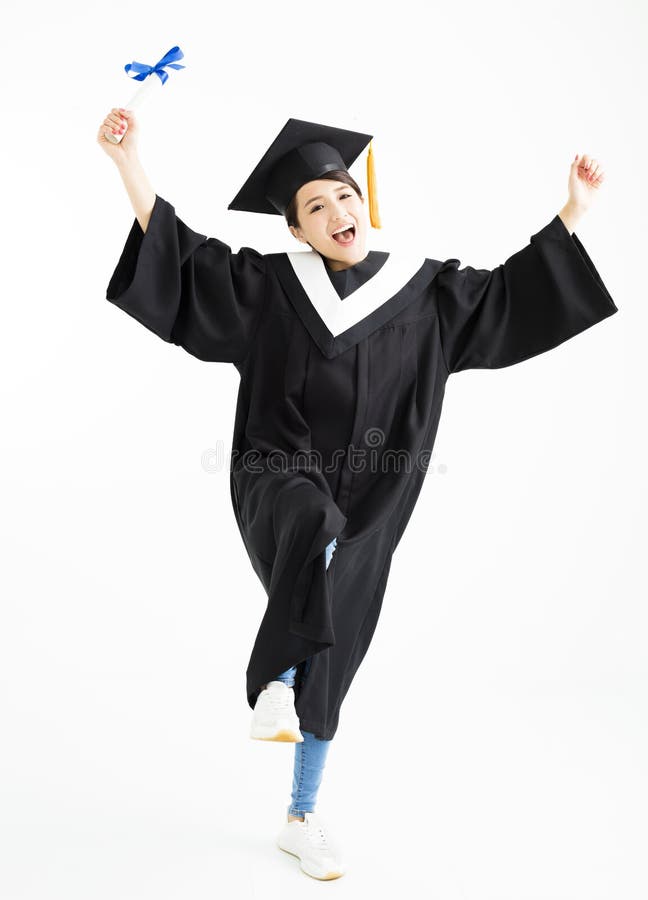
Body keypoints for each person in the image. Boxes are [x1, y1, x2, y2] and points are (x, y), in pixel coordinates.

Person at [97, 109, 617, 880]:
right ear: (299, 231)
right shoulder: (271, 288)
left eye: (344, 196)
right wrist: (127, 160)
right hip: (277, 466)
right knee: (309, 516)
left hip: (376, 497)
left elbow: (509, 297)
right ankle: (272, 680)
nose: (338, 212)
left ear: (363, 201)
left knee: (336, 647)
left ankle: (301, 817)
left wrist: (572, 212)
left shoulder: (427, 293)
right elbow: (187, 261)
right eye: (316, 207)